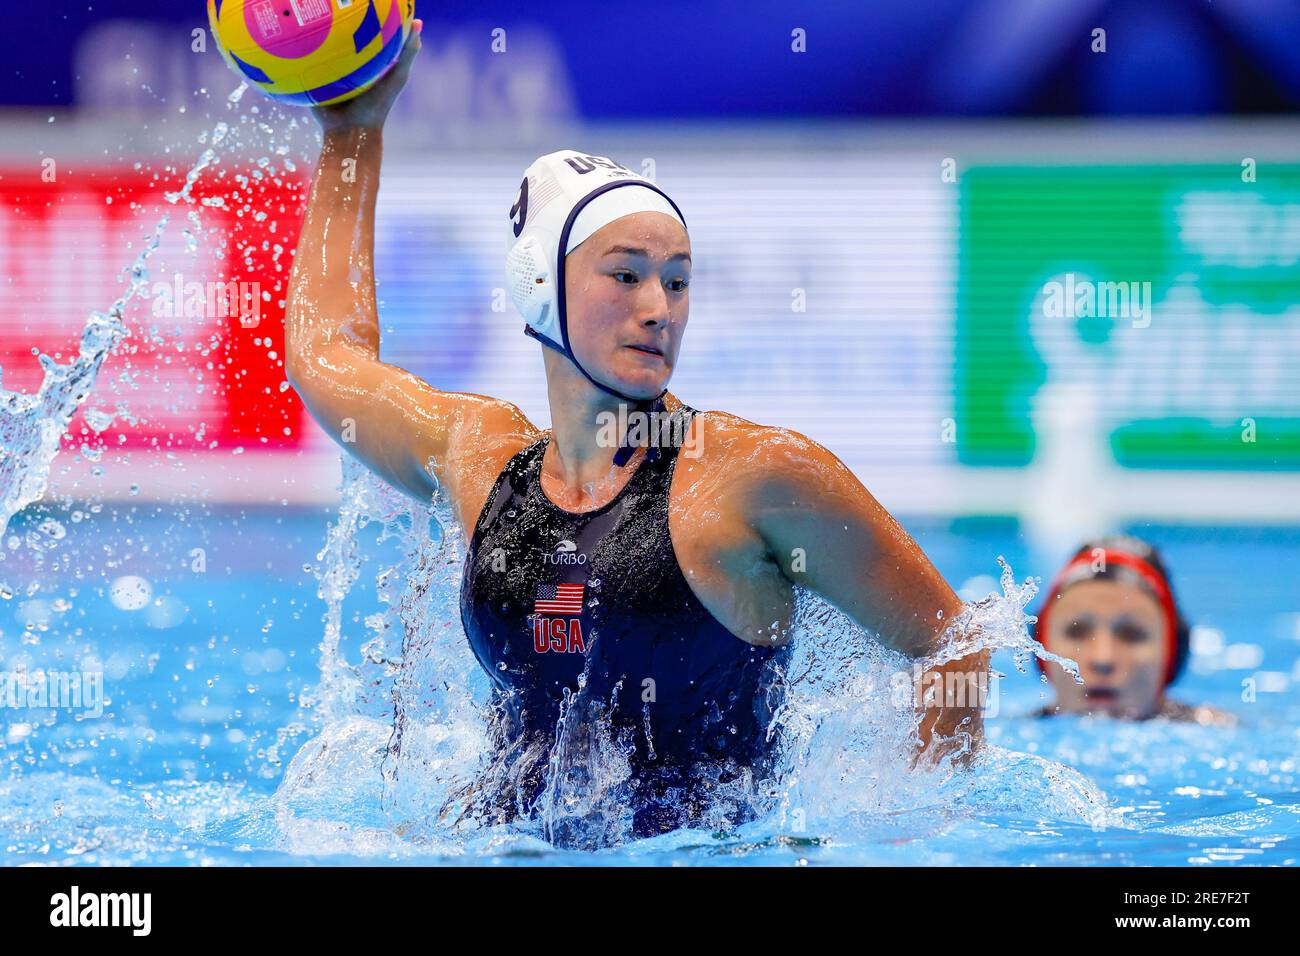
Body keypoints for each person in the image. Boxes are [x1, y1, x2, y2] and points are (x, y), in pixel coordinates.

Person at [284, 22, 988, 839]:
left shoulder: (749, 473)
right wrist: (350, 130)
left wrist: (913, 836)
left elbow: (955, 643)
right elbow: (325, 353)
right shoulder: (478, 456)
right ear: (541, 284)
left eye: (678, 281)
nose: (659, 307)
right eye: (626, 275)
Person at [1031, 534, 1235, 726]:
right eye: (1076, 632)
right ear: (1041, 648)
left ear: (1172, 654)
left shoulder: (1216, 730)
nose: (1103, 659)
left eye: (1131, 635)